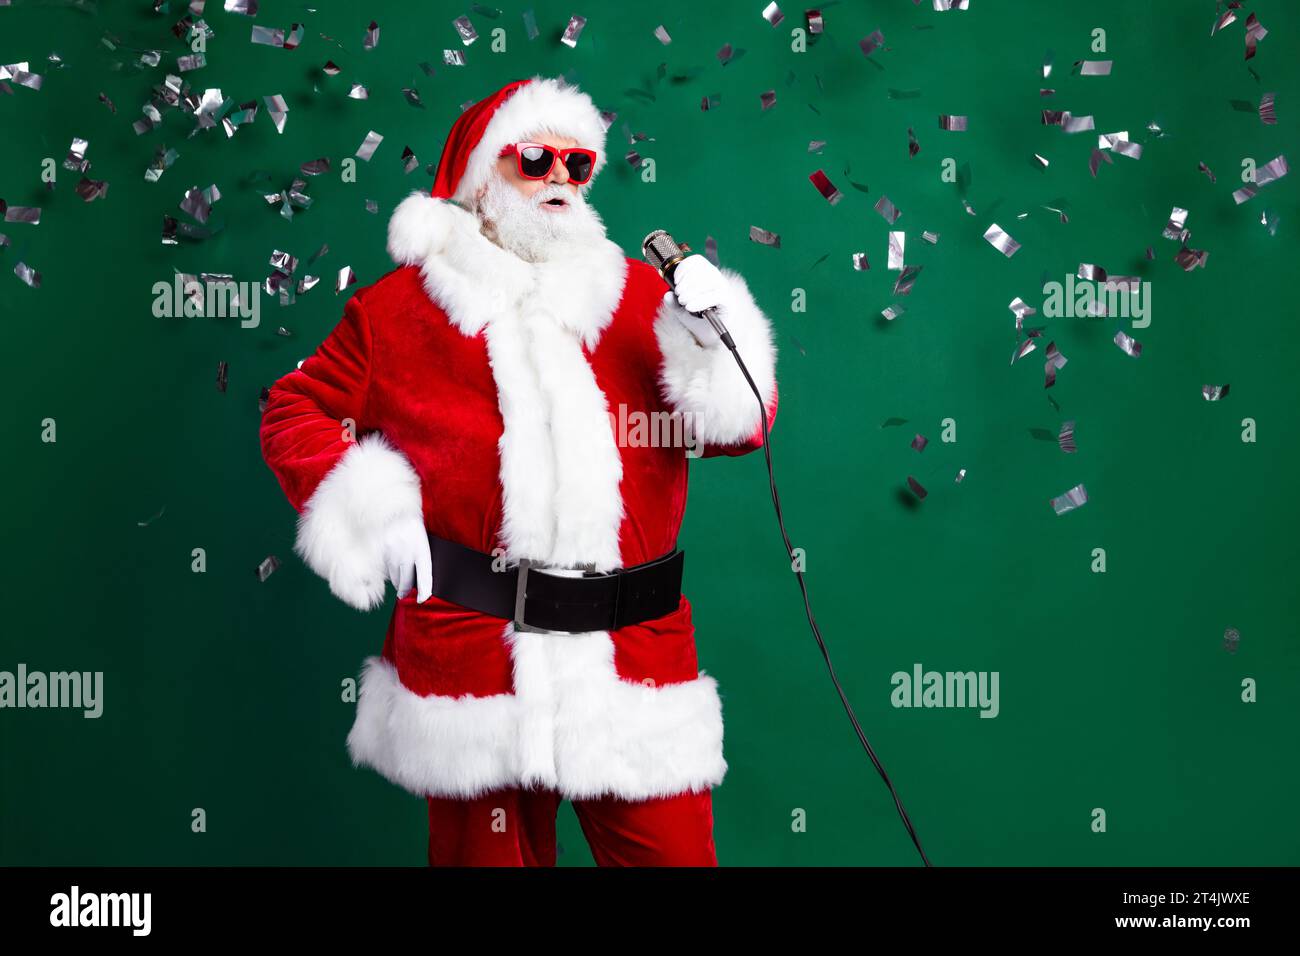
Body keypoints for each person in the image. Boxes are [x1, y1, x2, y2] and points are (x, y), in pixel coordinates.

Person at [259, 75, 779, 866]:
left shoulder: (640, 296)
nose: (561, 180)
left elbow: (743, 429)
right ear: (477, 177)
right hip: (473, 666)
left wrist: (714, 336)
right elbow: (295, 409)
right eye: (534, 159)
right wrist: (370, 510)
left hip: (635, 665)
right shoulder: (397, 311)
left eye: (578, 164)